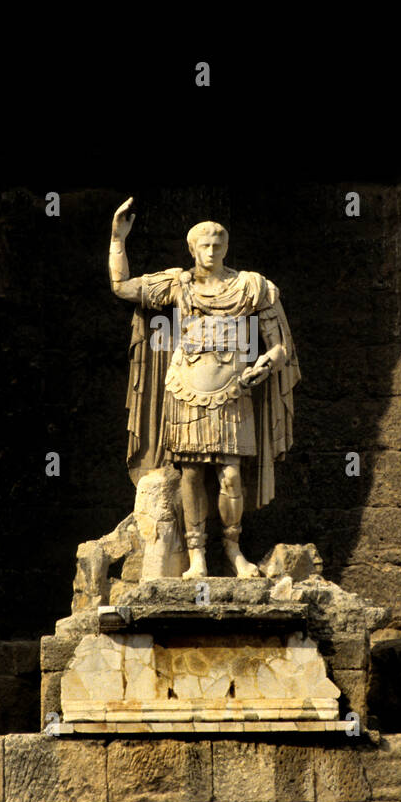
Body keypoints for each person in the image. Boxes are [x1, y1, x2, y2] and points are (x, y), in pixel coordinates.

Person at [109, 196, 300, 578]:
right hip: (185, 390)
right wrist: (117, 241)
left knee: (230, 474)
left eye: (218, 245)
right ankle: (196, 556)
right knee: (192, 475)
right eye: (204, 245)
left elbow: (280, 345)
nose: (211, 251)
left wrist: (266, 361)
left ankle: (233, 549)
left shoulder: (251, 287)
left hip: (233, 388)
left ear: (227, 247)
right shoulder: (178, 284)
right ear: (192, 248)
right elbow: (122, 287)